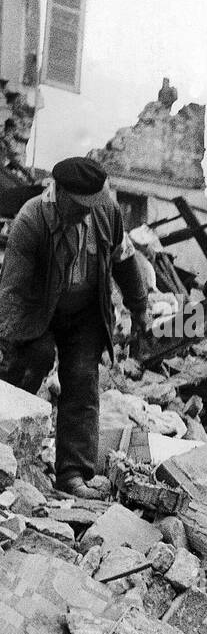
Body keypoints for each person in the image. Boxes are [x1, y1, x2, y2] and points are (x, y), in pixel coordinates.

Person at [0, 156, 148, 498]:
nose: (87, 213)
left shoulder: (106, 213)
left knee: (82, 380)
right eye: (81, 206)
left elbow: (125, 261)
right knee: (30, 362)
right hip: (39, 311)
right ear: (59, 191)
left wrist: (139, 307)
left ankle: (72, 476)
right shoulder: (32, 218)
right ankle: (6, 448)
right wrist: (8, 341)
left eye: (92, 206)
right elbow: (12, 290)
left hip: (84, 314)